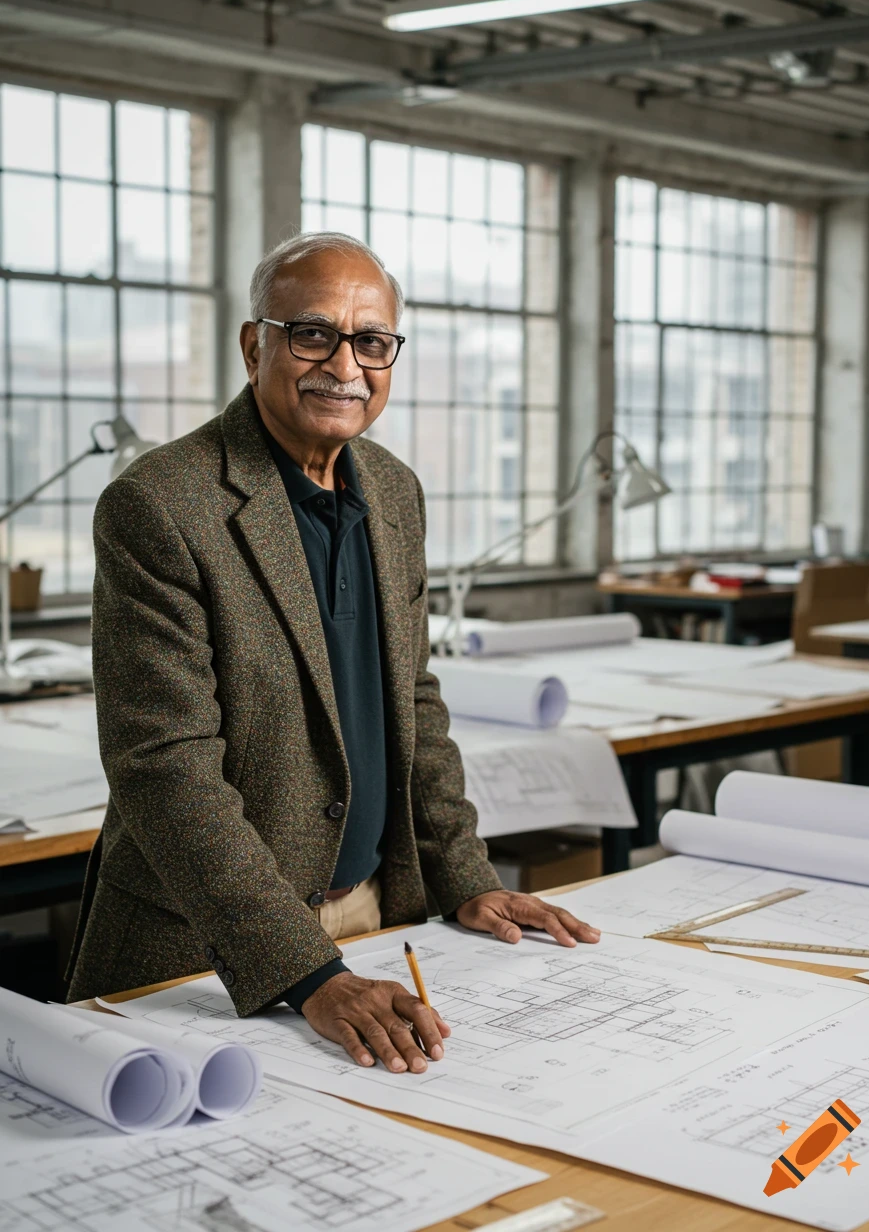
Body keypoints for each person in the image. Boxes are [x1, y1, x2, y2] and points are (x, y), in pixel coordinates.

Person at [67, 232, 600, 1075]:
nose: (344, 364)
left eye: (372, 341)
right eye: (312, 333)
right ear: (255, 346)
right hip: (212, 943)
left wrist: (464, 875)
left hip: (377, 914)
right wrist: (309, 970)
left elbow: (412, 700)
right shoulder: (160, 504)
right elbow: (164, 768)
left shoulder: (392, 489)